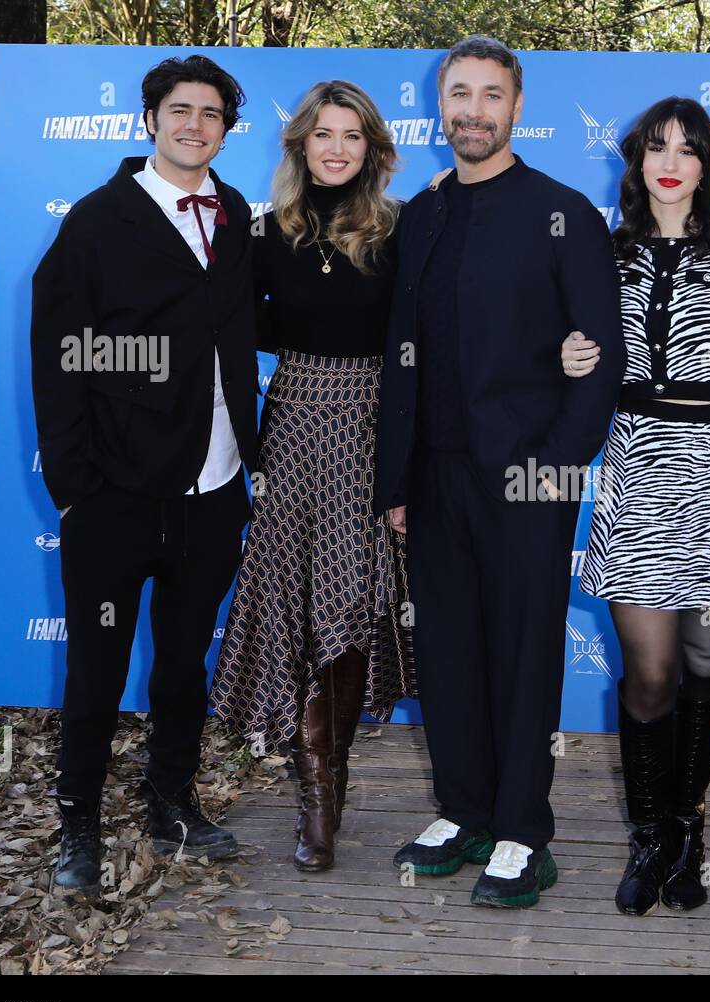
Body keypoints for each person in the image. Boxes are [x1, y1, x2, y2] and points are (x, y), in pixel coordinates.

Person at [373, 36, 627, 908]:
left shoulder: (563, 214)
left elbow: (603, 358)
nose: (473, 110)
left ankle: (524, 829)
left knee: (521, 653)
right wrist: (395, 482)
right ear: (440, 105)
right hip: (435, 476)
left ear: (517, 106)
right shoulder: (421, 214)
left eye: (490, 94)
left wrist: (556, 469)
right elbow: (403, 360)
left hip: (530, 478)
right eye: (459, 94)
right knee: (446, 650)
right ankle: (466, 808)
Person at [31, 55, 259, 895]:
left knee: (181, 665)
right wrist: (75, 485)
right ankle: (78, 825)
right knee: (94, 668)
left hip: (215, 487)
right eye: (179, 109)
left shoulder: (235, 213)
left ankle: (171, 800)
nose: (194, 124)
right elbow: (57, 361)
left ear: (226, 129)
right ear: (150, 119)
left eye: (210, 113)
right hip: (116, 496)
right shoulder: (96, 222)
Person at [561, 97, 710, 916]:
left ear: (706, 165)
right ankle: (647, 833)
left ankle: (689, 827)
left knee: (704, 665)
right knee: (648, 674)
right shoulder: (602, 253)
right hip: (637, 472)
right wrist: (569, 354)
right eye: (658, 146)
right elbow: (572, 356)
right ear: (638, 159)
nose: (672, 161)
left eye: (689, 149)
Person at [209, 81, 417, 873]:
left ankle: (330, 782)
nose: (336, 147)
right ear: (300, 145)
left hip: (371, 423)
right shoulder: (267, 234)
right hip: (294, 420)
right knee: (295, 606)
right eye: (323, 134)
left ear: (371, 149)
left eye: (352, 136)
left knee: (354, 603)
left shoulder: (400, 231)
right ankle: (315, 796)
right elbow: (234, 323)